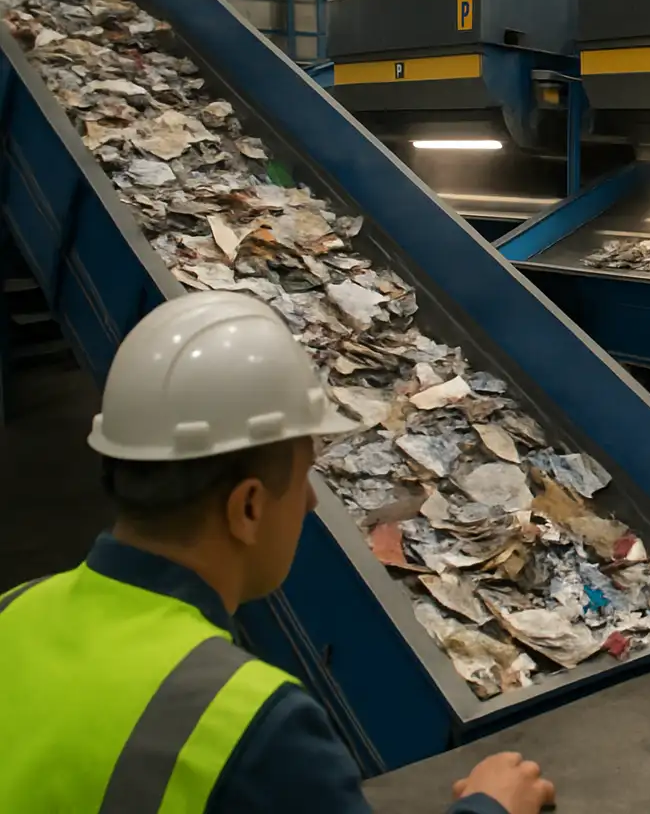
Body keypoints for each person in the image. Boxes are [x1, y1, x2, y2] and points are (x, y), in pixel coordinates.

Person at [0, 291, 557, 814]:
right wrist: (489, 805)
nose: (312, 501)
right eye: (303, 477)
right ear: (247, 508)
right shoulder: (254, 727)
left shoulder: (15, 608)